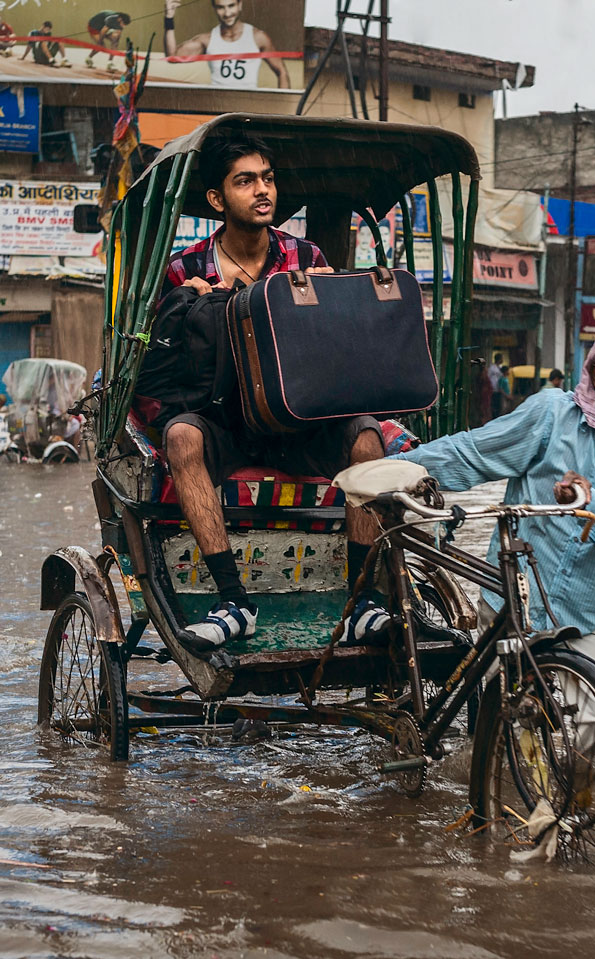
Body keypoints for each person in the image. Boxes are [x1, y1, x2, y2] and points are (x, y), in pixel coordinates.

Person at [142, 134, 385, 651]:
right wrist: (190, 306)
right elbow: (162, 368)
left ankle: (362, 600)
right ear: (217, 199)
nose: (261, 190)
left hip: (298, 422)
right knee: (182, 437)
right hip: (225, 421)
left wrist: (327, 299)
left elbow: (338, 353)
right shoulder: (185, 269)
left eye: (268, 179)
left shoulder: (305, 256)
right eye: (245, 180)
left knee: (367, 437)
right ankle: (233, 599)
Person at [395, 322, 595, 694]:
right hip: (511, 605)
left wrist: (587, 499)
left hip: (585, 617)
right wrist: (399, 469)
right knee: (508, 729)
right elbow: (476, 453)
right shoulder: (553, 415)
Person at [164, 0, 291, 89]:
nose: (227, 13)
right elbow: (172, 56)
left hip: (247, 108)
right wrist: (169, 18)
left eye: (231, 6)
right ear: (214, 8)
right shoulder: (207, 40)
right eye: (221, 7)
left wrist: (283, 115)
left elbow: (282, 72)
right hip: (218, 108)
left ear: (239, 5)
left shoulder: (258, 37)